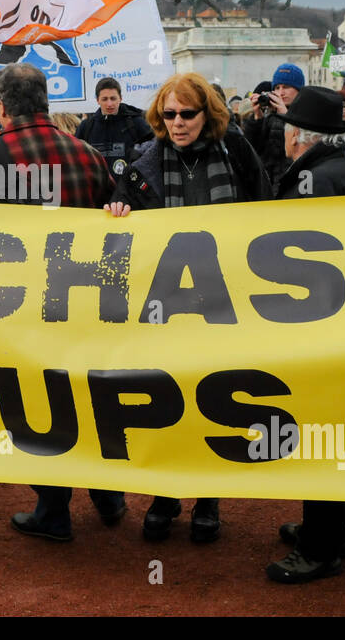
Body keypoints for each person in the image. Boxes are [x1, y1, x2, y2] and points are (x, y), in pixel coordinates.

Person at [0, 63, 123, 540]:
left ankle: (53, 510)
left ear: (2, 107)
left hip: (22, 306)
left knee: (38, 404)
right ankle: (109, 494)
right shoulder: (88, 154)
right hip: (84, 300)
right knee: (90, 397)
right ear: (47, 101)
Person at [105, 72, 269, 543]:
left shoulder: (236, 152)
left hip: (224, 300)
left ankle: (208, 499)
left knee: (216, 398)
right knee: (166, 398)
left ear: (207, 114)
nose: (177, 123)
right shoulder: (144, 162)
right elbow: (120, 206)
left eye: (187, 114)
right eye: (169, 114)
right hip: (167, 305)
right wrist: (118, 207)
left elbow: (266, 208)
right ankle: (165, 496)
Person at [264, 87, 345, 582]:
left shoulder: (313, 179)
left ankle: (321, 544)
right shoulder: (344, 172)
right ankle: (331, 531)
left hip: (321, 327)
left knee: (319, 435)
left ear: (297, 137)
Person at [74, 76, 154, 177]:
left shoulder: (136, 122)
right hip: (98, 189)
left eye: (113, 98)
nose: (109, 104)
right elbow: (75, 158)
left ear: (120, 98)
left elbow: (154, 149)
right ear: (97, 100)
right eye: (104, 99)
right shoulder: (86, 127)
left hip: (128, 188)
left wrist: (139, 156)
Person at [245, 64, 304, 185]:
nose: (281, 93)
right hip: (269, 185)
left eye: (286, 87)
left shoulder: (306, 114)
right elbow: (253, 151)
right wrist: (257, 118)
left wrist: (286, 116)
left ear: (299, 90)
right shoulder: (270, 117)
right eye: (277, 87)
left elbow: (299, 149)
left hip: (295, 183)